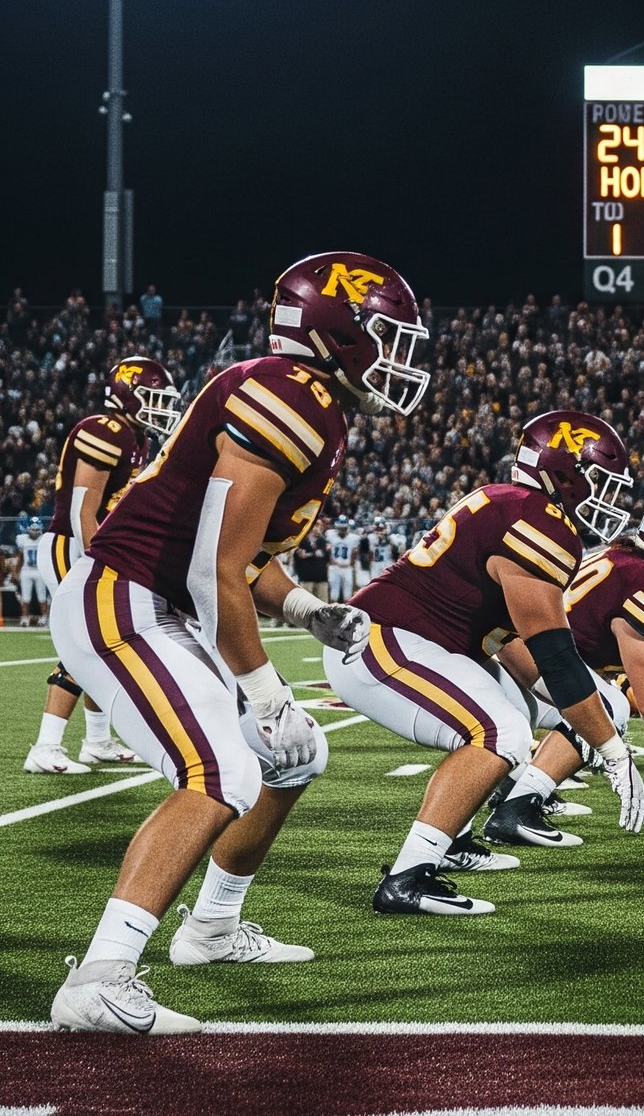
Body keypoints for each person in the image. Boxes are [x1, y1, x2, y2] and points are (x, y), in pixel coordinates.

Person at [48, 252, 430, 1033]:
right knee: (219, 771)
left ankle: (212, 930)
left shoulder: (312, 400)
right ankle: (100, 977)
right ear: (337, 329)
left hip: (162, 602)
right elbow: (213, 567)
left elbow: (243, 559)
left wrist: (302, 606)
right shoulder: (286, 395)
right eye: (385, 333)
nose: (397, 354)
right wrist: (264, 690)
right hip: (125, 600)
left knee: (294, 757)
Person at [325, 410, 644, 913]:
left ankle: (450, 839)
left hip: (423, 642)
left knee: (526, 717)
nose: (606, 498)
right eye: (599, 481)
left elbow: (514, 646)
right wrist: (613, 750)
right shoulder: (537, 520)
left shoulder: (516, 505)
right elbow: (555, 656)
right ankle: (407, 877)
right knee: (499, 732)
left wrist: (587, 716)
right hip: (383, 638)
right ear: (562, 471)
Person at [491, 495, 644, 839]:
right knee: (606, 709)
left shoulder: (629, 562)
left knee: (593, 702)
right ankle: (518, 808)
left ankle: (514, 790)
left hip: (509, 646)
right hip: (524, 649)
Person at [25, 355, 181, 776]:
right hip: (72, 545)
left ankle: (96, 742)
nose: (160, 408)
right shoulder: (106, 430)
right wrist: (101, 563)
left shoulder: (135, 438)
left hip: (92, 546)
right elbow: (82, 509)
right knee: (83, 646)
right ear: (128, 394)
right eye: (153, 397)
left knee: (100, 644)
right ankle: (45, 746)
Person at [15, 517, 49, 629]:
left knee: (42, 597)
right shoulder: (22, 539)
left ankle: (44, 617)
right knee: (26, 597)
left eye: (36, 529)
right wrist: (17, 570)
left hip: (40, 571)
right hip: (26, 570)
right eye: (32, 529)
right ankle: (25, 617)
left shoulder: (44, 539)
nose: (34, 532)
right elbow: (20, 557)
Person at [327, 517, 357, 601]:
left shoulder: (353, 538)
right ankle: (332, 611)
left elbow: (354, 553)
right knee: (334, 594)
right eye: (340, 528)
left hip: (347, 567)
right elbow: (328, 551)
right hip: (334, 567)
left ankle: (346, 611)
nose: (342, 530)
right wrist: (331, 560)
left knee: (347, 594)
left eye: (343, 528)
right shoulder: (330, 536)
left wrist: (351, 563)